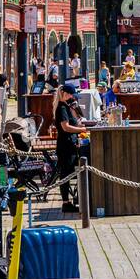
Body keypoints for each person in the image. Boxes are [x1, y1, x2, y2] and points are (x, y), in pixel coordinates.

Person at [54, 82, 90, 213]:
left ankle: (73, 199)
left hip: (70, 144)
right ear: (65, 94)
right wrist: (82, 129)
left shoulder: (66, 106)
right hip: (66, 145)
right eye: (70, 95)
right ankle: (66, 202)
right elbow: (66, 127)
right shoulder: (62, 108)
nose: (72, 98)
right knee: (66, 174)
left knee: (70, 172)